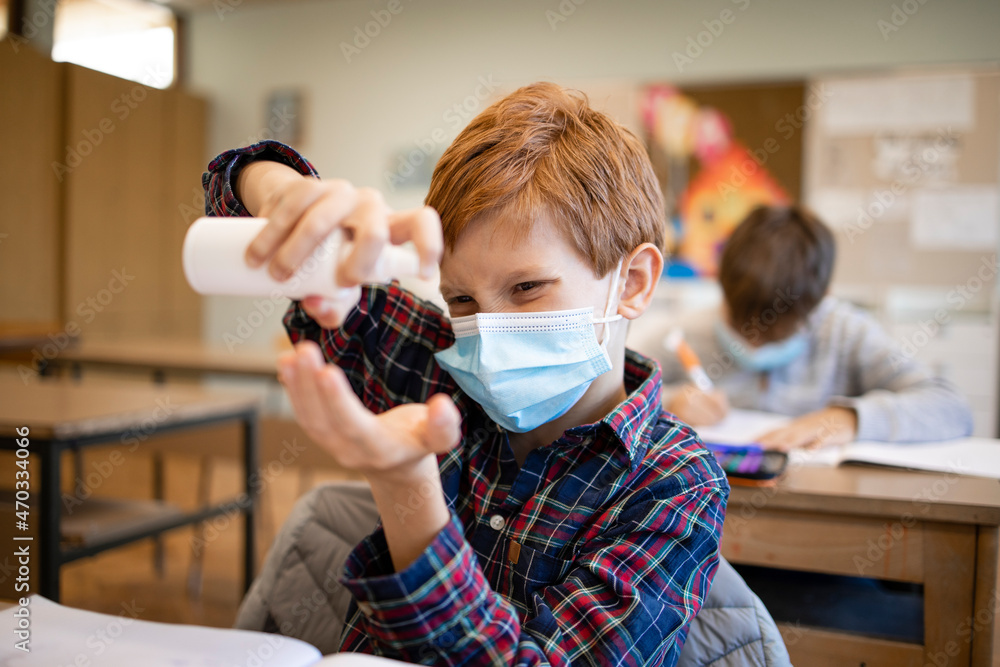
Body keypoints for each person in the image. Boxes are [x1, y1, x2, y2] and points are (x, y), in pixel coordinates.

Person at [204, 83, 729, 665]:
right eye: (461, 299)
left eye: (526, 288)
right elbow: (243, 203)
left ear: (632, 283)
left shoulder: (677, 485)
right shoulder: (438, 366)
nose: (490, 329)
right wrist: (283, 194)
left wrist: (409, 491)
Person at [628, 204, 974, 450]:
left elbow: (951, 407)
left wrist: (851, 419)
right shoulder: (686, 333)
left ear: (821, 299)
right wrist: (669, 400)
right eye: (742, 324)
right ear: (722, 287)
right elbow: (611, 390)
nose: (755, 344)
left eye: (774, 331)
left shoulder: (845, 333)